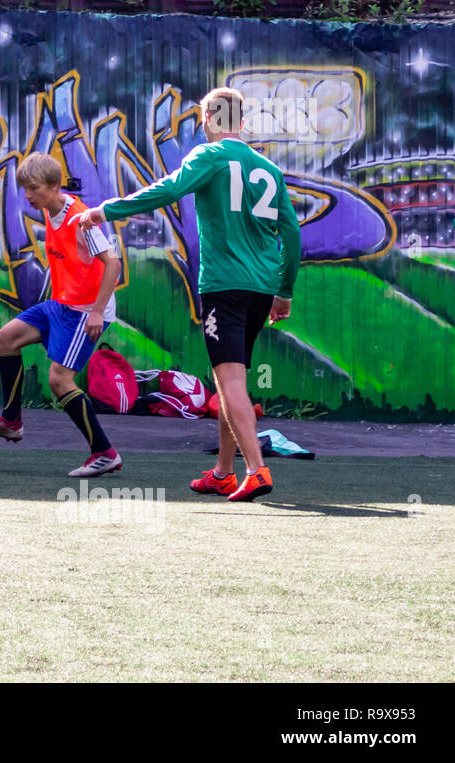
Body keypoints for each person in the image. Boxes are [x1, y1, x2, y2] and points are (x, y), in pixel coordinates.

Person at [76, 87, 301, 502]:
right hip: (261, 288)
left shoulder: (208, 157)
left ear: (208, 120)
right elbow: (292, 232)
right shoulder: (269, 169)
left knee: (229, 378)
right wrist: (284, 292)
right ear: (242, 122)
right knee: (229, 378)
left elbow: (167, 191)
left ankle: (256, 470)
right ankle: (222, 472)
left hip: (224, 285)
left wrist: (104, 210)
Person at [0, 153, 124, 477]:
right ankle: (11, 422)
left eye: (34, 188)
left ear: (54, 186)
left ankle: (105, 453)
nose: (27, 194)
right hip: (63, 303)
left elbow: (114, 264)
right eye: (24, 187)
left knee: (59, 380)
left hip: (85, 310)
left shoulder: (80, 219)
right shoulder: (49, 211)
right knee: (6, 338)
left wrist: (97, 311)